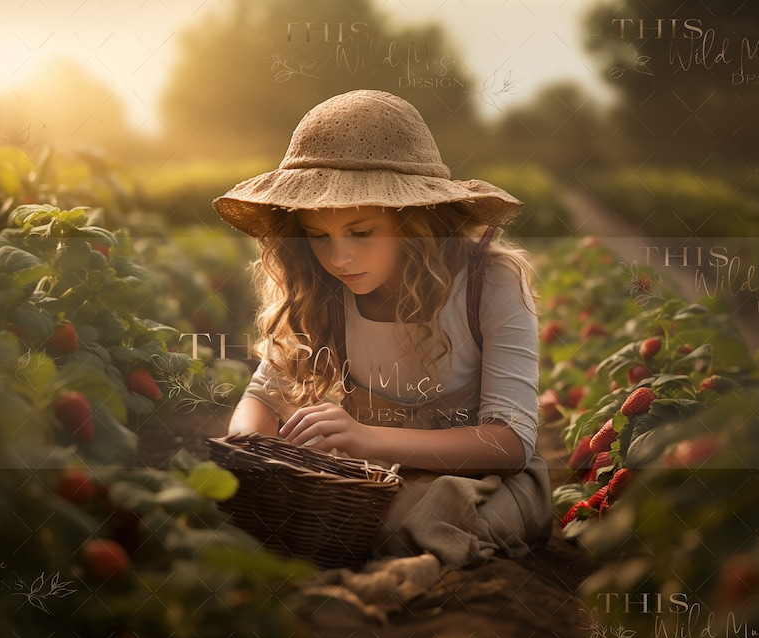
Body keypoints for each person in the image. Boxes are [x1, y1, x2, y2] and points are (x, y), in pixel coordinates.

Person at [212, 89, 550, 566]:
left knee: (413, 525)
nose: (338, 257)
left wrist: (366, 438)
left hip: (480, 475)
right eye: (317, 237)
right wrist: (255, 453)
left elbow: (509, 443)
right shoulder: (322, 289)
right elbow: (263, 397)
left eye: (361, 232)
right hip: (376, 474)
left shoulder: (489, 283)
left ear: (415, 221)